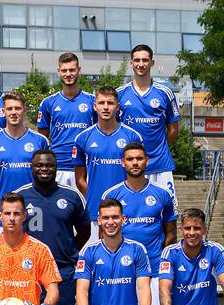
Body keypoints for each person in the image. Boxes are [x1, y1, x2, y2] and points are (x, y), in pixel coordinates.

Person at [12, 149, 90, 305]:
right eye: (39, 165)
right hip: (28, 274)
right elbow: (11, 231)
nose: (44, 169)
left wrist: (67, 254)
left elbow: (84, 231)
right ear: (31, 167)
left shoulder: (71, 196)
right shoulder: (21, 196)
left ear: (56, 168)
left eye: (48, 165)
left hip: (64, 273)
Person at [101, 142, 177, 305]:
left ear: (147, 161)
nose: (135, 163)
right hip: (122, 271)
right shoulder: (111, 195)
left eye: (139, 159)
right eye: (130, 159)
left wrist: (161, 260)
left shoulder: (162, 194)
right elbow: (104, 235)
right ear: (122, 163)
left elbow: (171, 234)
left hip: (154, 269)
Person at [72, 86, 144, 233]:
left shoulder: (132, 136)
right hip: (95, 211)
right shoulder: (82, 138)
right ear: (95, 106)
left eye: (110, 103)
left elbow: (139, 174)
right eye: (102, 103)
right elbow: (79, 179)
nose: (105, 107)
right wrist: (94, 196)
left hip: (126, 211)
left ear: (117, 107)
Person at [116, 44, 181, 205]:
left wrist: (159, 149)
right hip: (130, 166)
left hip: (160, 165)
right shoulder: (120, 93)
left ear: (152, 62)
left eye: (145, 60)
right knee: (130, 211)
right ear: (131, 63)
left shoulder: (165, 92)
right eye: (137, 60)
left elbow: (173, 130)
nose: (141, 64)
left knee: (167, 213)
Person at [0, 92, 50, 214]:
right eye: (9, 109)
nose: (13, 112)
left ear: (24, 110)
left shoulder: (40, 141)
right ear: (3, 111)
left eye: (17, 108)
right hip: (3, 212)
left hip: (33, 210)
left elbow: (47, 177)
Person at [37, 53, 95, 188]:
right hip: (58, 166)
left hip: (84, 166)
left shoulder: (92, 101)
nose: (68, 74)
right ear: (58, 71)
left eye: (72, 70)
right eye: (64, 70)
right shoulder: (48, 103)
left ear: (79, 71)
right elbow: (42, 139)